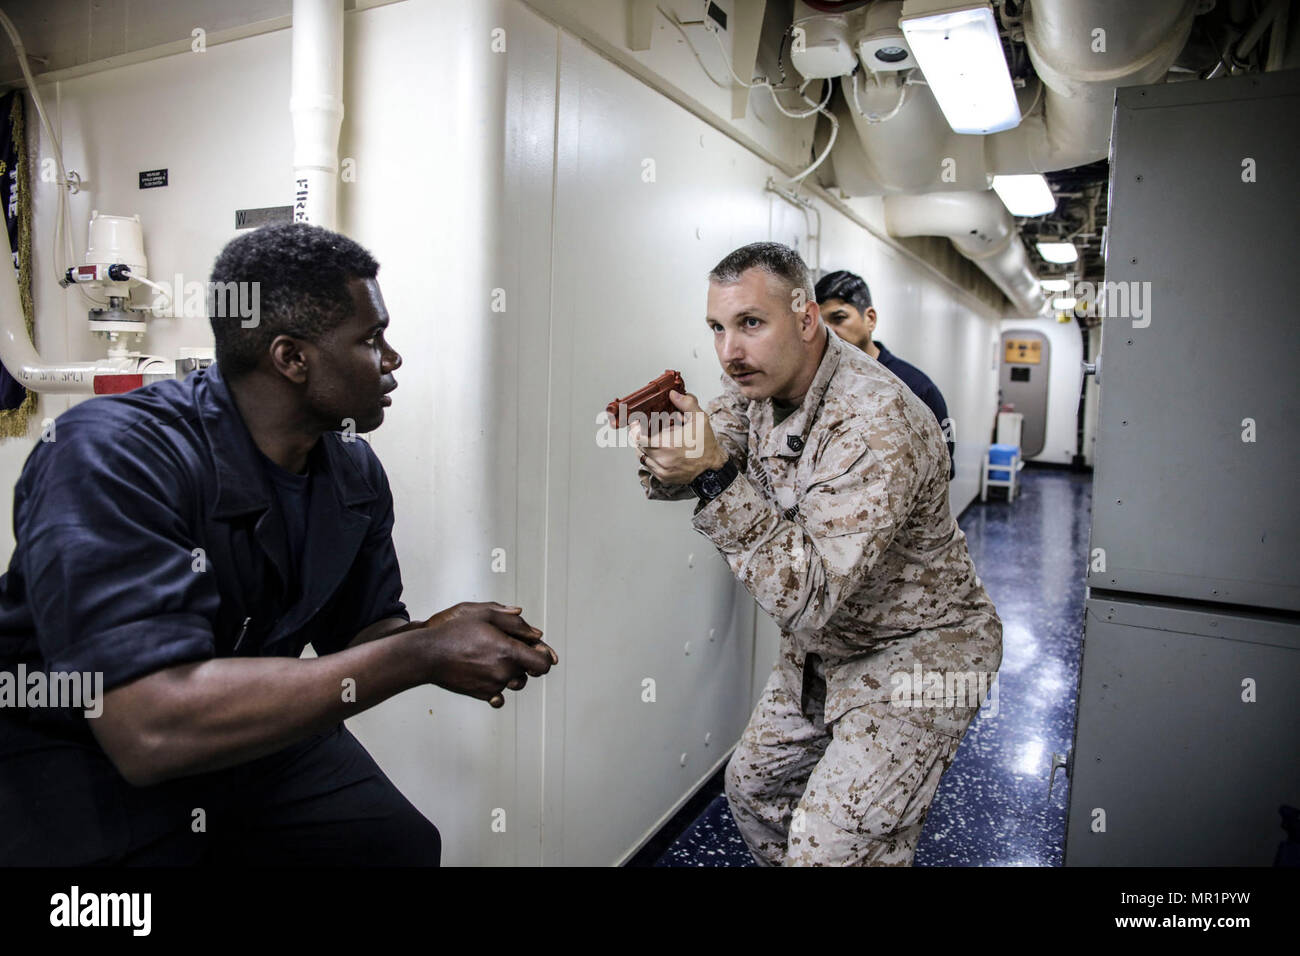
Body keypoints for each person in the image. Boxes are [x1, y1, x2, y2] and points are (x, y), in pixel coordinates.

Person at [0, 222, 556, 866]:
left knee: (396, 846)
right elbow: (149, 726)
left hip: (251, 725)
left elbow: (361, 634)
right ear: (292, 358)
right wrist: (420, 655)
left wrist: (446, 637)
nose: (392, 359)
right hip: (83, 747)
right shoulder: (110, 456)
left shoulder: (351, 469)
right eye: (371, 339)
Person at [633, 242, 1000, 866]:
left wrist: (714, 474)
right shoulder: (757, 381)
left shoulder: (875, 423)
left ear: (806, 319)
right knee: (755, 791)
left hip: (918, 653)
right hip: (828, 646)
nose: (729, 351)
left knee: (831, 846)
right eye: (718, 328)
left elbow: (806, 595)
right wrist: (673, 452)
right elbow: (718, 444)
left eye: (751, 322)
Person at [815, 269, 955, 480]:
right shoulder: (817, 386)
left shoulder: (917, 389)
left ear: (870, 319)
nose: (828, 332)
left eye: (839, 318)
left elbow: (944, 466)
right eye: (820, 323)